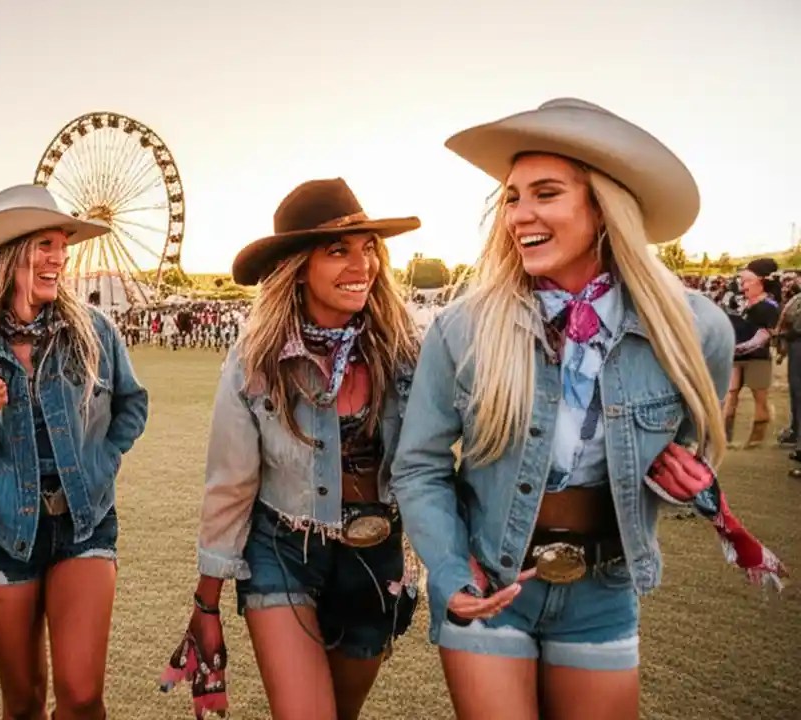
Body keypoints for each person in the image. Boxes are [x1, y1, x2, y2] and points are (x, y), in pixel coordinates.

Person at [392, 98, 786, 720]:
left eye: (545, 194)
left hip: (605, 588)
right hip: (492, 577)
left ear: (603, 206)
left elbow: (693, 443)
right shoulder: (463, 327)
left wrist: (686, 479)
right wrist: (448, 568)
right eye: (512, 198)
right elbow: (418, 466)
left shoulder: (694, 330)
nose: (521, 215)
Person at [161, 179, 422, 720]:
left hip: (375, 553)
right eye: (337, 250)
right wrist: (206, 603)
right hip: (281, 550)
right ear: (299, 266)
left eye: (368, 247)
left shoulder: (406, 351)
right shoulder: (254, 360)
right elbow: (231, 484)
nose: (361, 265)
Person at [0, 184, 149, 720]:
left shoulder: (94, 332)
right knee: (23, 702)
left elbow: (132, 405)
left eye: (61, 245)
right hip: (1, 535)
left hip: (85, 525)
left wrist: (102, 461)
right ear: (7, 256)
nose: (59, 258)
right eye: (44, 244)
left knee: (81, 696)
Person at [724, 257, 781, 448]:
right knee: (730, 395)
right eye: (742, 281)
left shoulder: (770, 307)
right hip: (734, 358)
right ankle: (725, 437)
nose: (743, 285)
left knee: (759, 397)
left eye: (748, 281)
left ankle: (756, 438)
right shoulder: (739, 303)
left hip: (757, 358)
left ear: (761, 282)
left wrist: (737, 347)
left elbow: (764, 336)